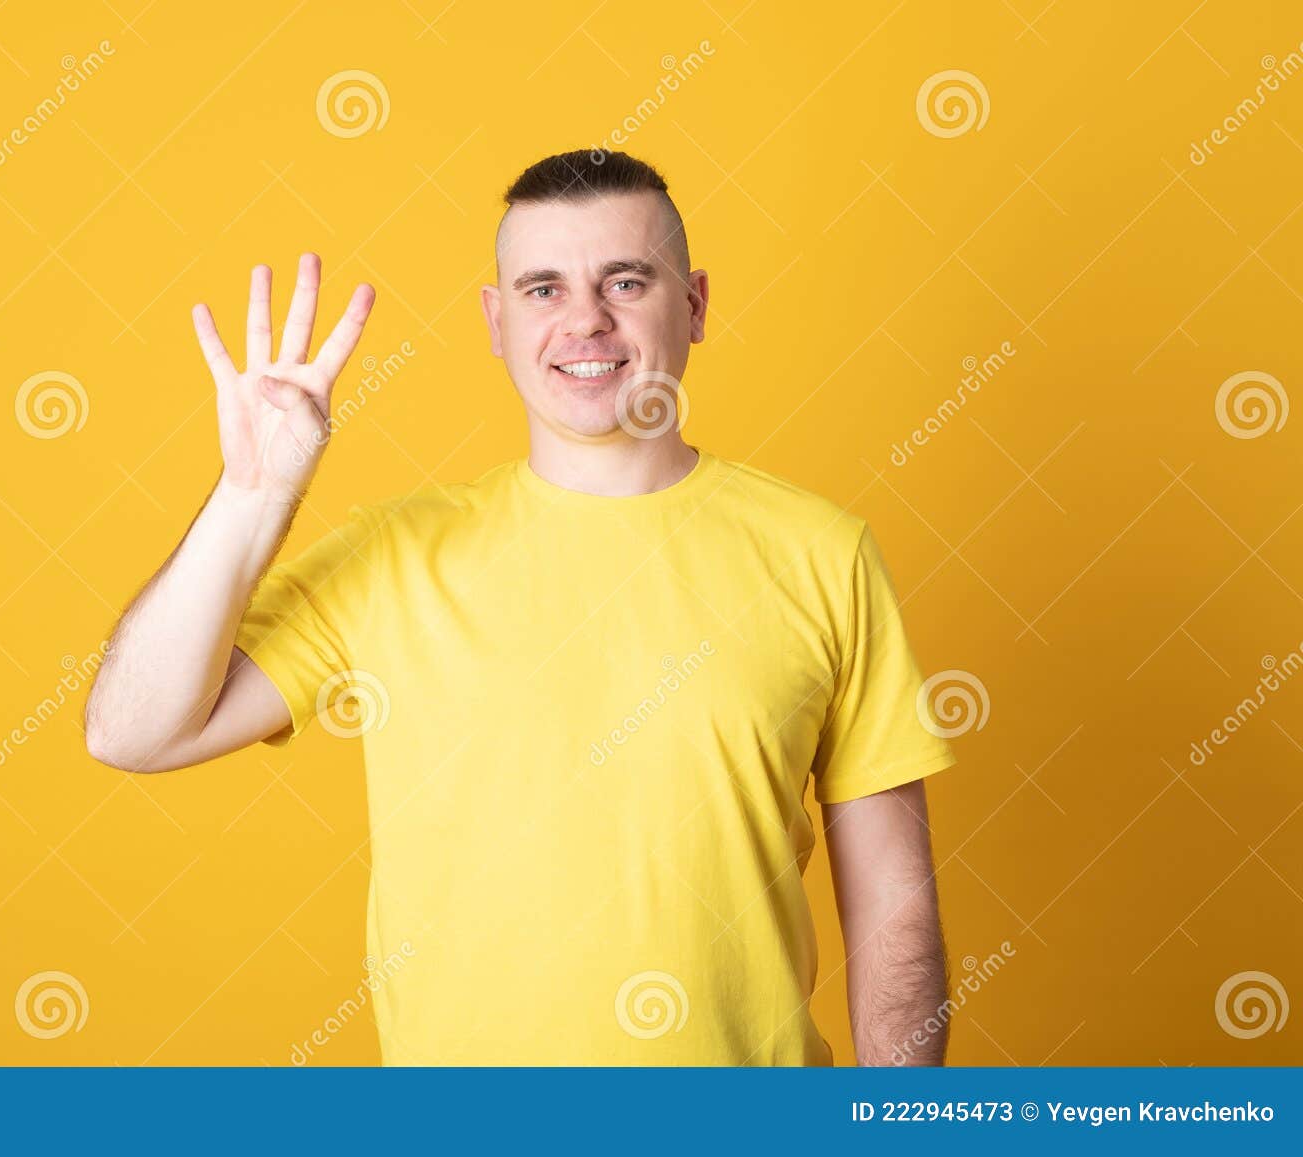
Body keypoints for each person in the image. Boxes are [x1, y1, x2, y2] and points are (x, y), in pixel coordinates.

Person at [85, 149, 960, 1066]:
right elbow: (132, 731)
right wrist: (251, 494)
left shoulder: (823, 553)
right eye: (543, 289)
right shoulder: (393, 555)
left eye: (626, 279)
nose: (586, 319)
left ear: (694, 304)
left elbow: (895, 908)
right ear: (496, 322)